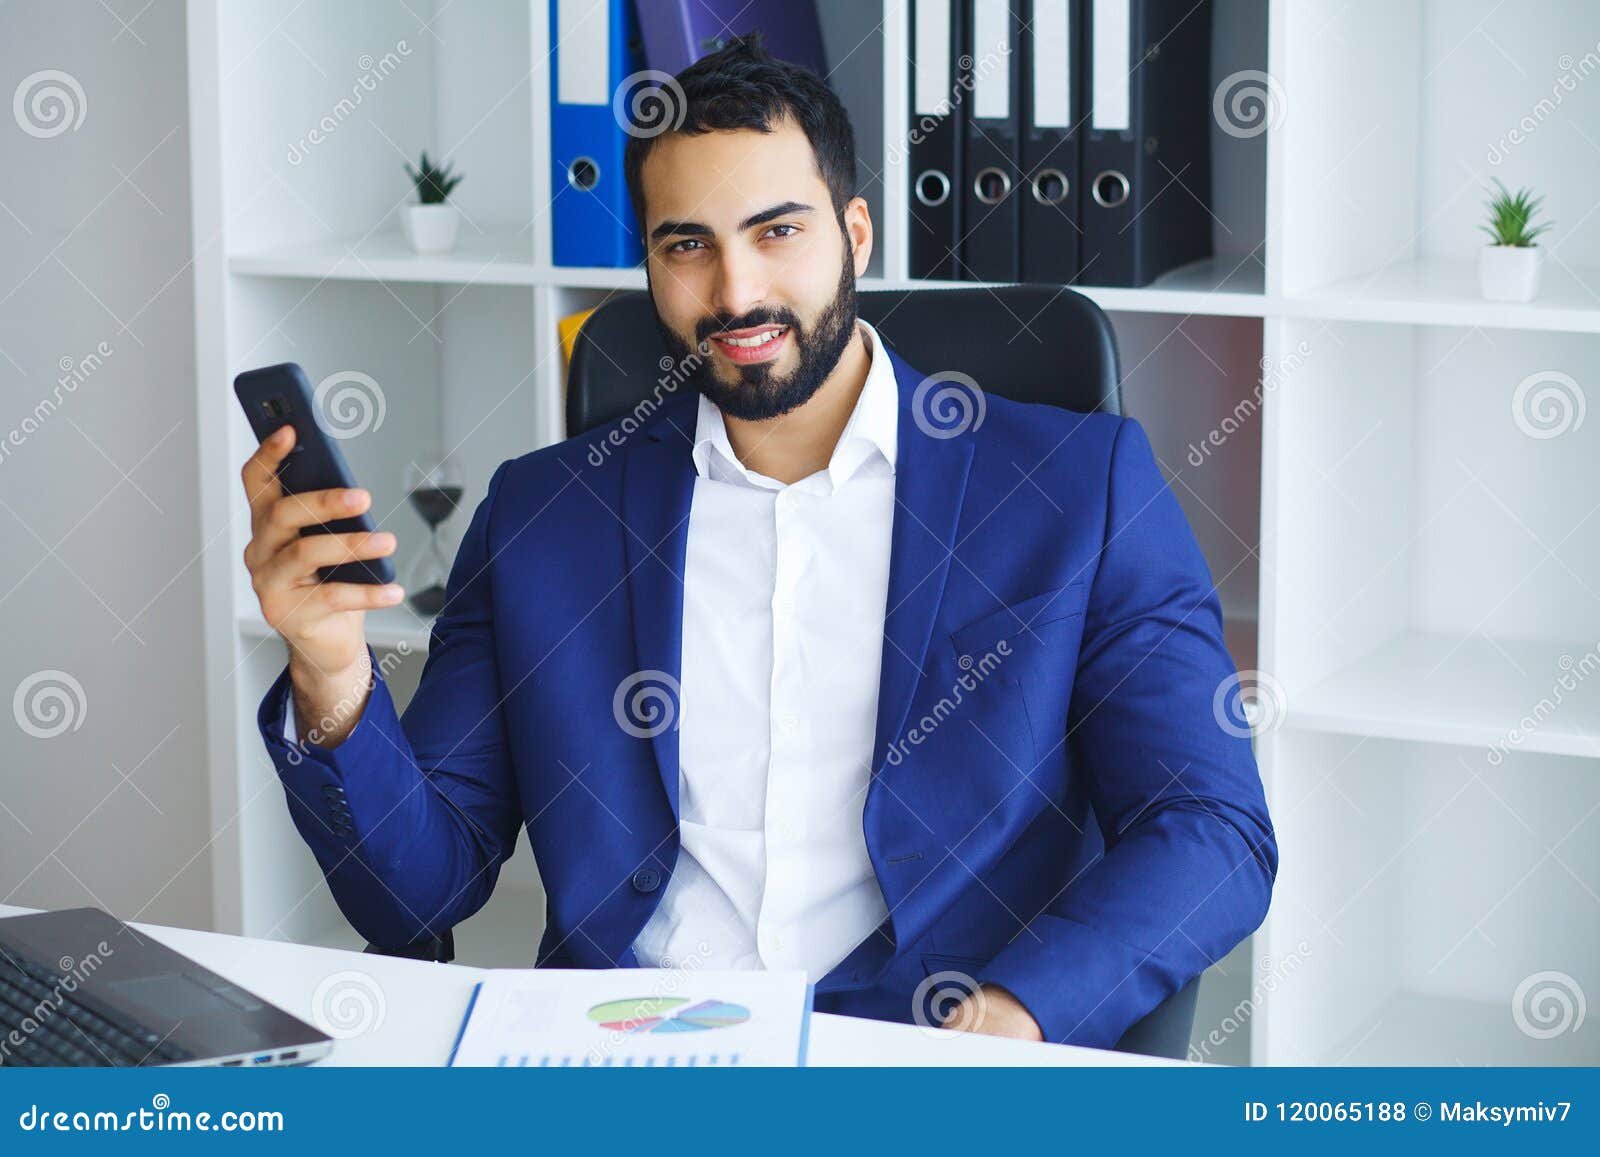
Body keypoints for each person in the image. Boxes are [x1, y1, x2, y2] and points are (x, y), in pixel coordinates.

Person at [239, 36, 1275, 1048]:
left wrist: (1017, 1012)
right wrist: (330, 670)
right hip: (625, 1059)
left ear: (855, 233)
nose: (733, 294)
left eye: (776, 231)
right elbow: (414, 892)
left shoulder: (1076, 486)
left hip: (922, 1051)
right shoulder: (542, 515)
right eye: (686, 244)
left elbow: (1211, 832)